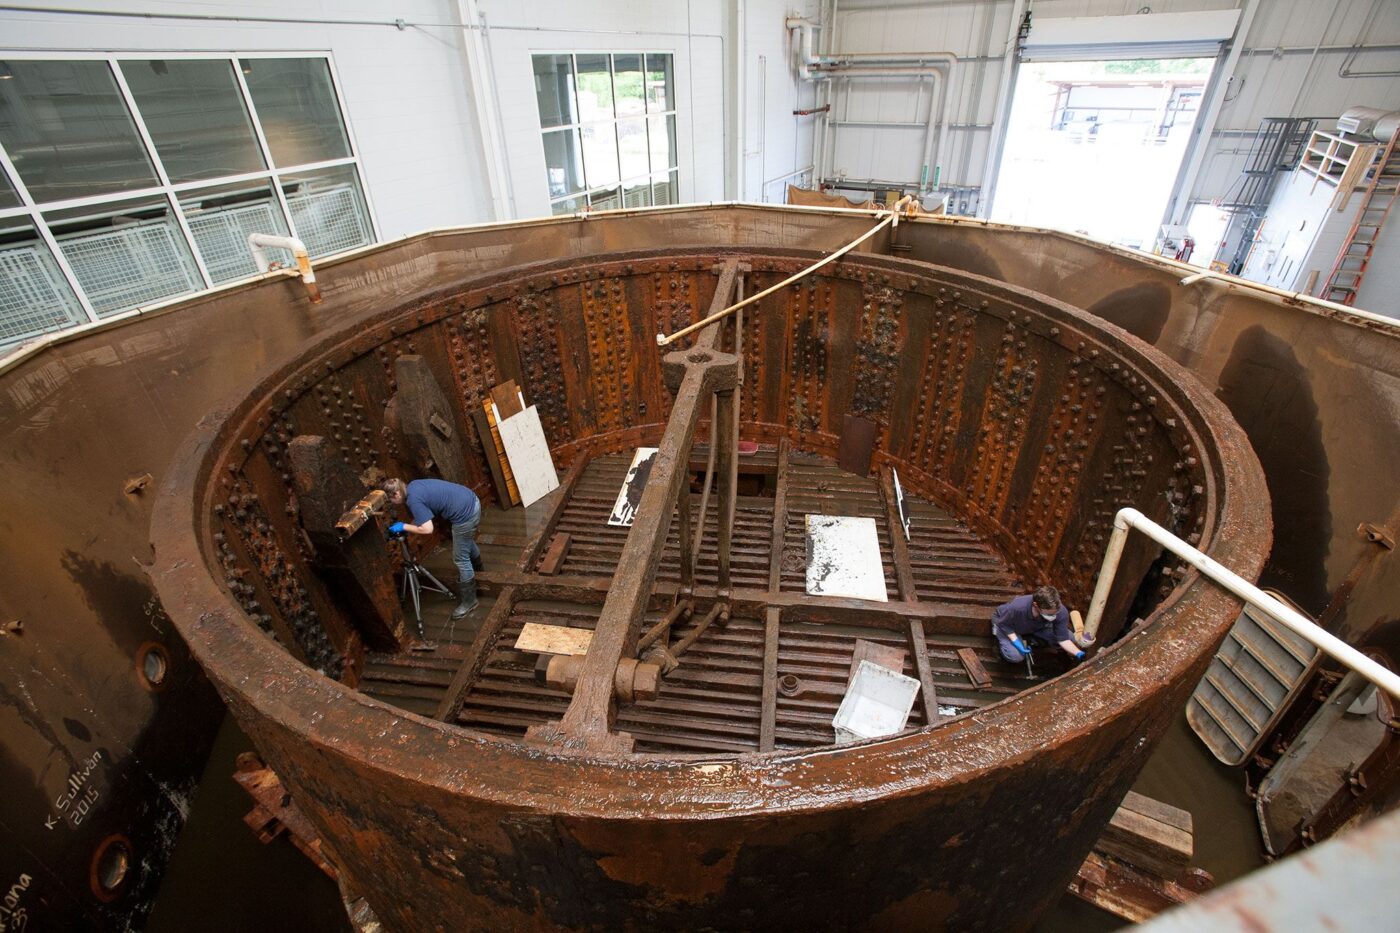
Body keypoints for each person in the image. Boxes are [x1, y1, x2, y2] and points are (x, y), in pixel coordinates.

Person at [383, 477, 483, 620]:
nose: (392, 504)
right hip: (471, 500)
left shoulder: (413, 500)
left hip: (465, 515)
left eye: (390, 500)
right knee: (465, 542)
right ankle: (480, 572)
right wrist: (410, 525)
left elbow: (427, 529)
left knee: (460, 558)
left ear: (397, 494)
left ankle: (470, 601)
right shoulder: (414, 485)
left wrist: (403, 526)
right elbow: (422, 517)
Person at [991, 585, 1085, 666]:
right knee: (1015, 656)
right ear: (1036, 605)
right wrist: (1016, 643)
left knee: (1070, 637)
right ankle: (1000, 644)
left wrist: (1078, 653)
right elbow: (1004, 624)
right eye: (1050, 614)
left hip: (1036, 627)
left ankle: (1031, 638)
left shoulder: (1060, 611)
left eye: (1055, 613)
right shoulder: (1017, 607)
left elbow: (1063, 639)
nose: (1054, 616)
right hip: (1006, 624)